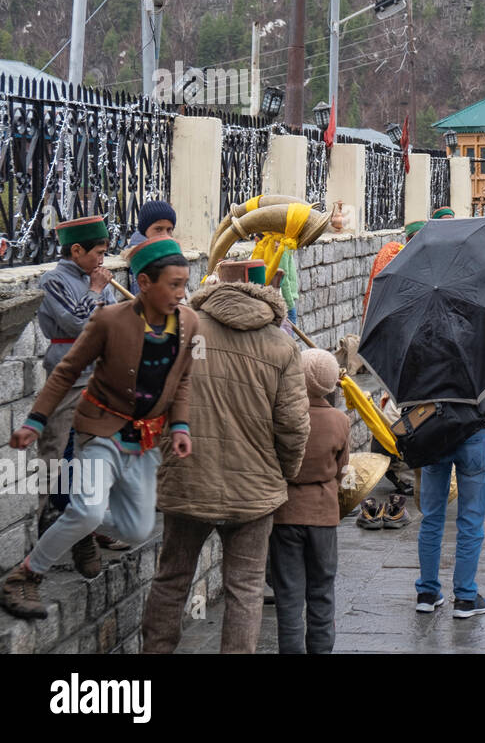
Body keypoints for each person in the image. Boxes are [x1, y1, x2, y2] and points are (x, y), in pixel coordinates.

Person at [2, 237, 195, 620]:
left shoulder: (189, 323)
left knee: (138, 529)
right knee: (89, 512)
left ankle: (69, 517)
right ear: (144, 283)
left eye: (184, 284)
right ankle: (23, 576)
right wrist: (35, 421)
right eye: (173, 284)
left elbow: (183, 378)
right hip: (100, 431)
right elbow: (66, 370)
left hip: (144, 440)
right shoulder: (109, 320)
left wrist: (181, 426)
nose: (181, 293)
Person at [142, 257, 310, 654]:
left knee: (172, 579)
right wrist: (283, 473)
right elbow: (294, 426)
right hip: (254, 490)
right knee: (246, 589)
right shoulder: (281, 344)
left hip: (188, 477)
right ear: (264, 288)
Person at [31, 216, 116, 535]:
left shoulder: (101, 280)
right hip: (67, 371)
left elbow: (111, 319)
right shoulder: (53, 280)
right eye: (98, 253)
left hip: (100, 374)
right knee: (56, 447)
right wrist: (95, 291)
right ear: (77, 250)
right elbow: (77, 326)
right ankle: (39, 524)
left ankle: (92, 526)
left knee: (96, 451)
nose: (102, 261)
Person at [268, 348, 349, 654]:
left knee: (288, 595)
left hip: (285, 514)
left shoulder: (282, 417)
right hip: (324, 516)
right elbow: (343, 471)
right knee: (322, 591)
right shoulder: (339, 420)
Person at [415, 395, 485, 618]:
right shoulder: (478, 358)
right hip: (473, 427)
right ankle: (465, 597)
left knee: (431, 517)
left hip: (433, 428)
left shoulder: (424, 358)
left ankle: (427, 593)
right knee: (471, 518)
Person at [361, 220, 423, 502]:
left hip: (411, 351)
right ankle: (398, 467)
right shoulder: (394, 257)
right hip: (402, 350)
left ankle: (397, 464)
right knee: (397, 411)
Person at [126, 200, 177, 295]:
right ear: (144, 230)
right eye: (158, 229)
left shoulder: (170, 255)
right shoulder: (144, 260)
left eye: (169, 230)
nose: (164, 235)